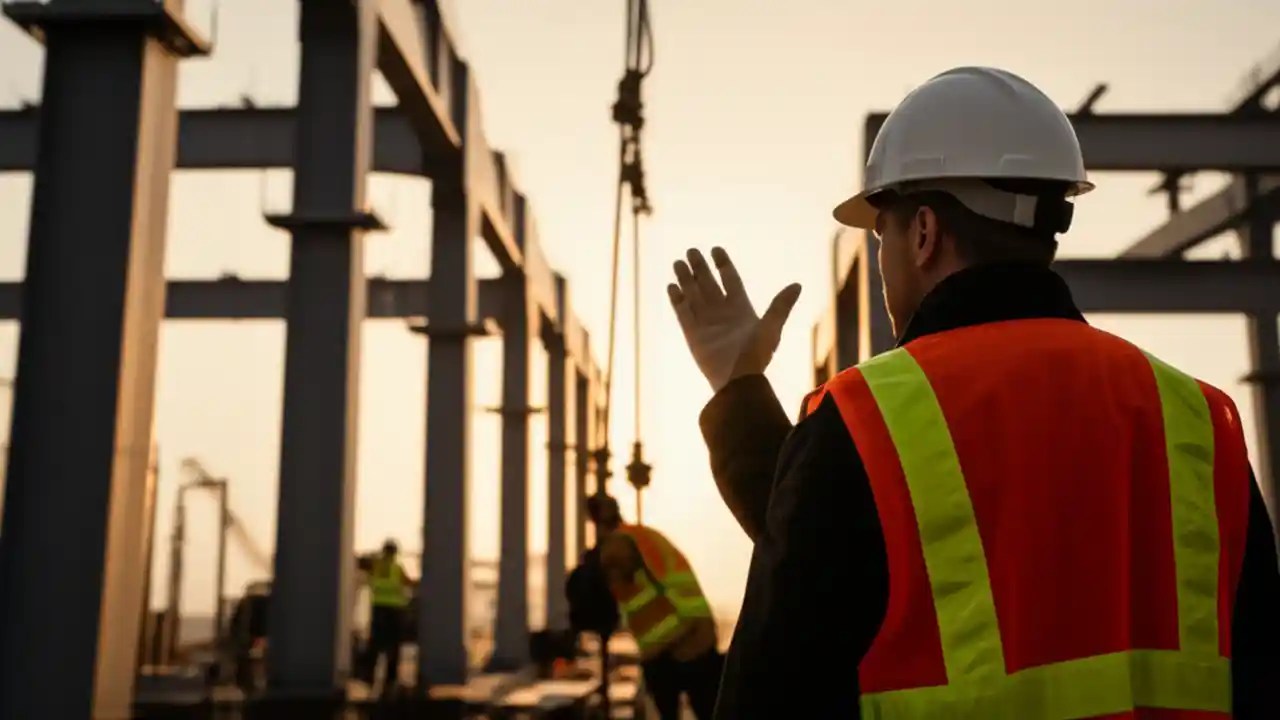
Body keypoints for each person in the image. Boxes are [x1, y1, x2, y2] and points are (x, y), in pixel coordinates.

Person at [666, 66, 1280, 718]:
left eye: (881, 234)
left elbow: (805, 626)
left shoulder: (866, 421)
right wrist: (740, 395)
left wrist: (738, 389)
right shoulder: (1196, 422)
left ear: (923, 232)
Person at [587, 493, 725, 719]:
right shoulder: (643, 535)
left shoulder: (617, 545)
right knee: (709, 709)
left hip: (669, 641)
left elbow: (607, 584)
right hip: (696, 632)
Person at [364, 538, 411, 698]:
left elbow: (369, 577)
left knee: (376, 644)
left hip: (378, 608)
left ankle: (369, 677)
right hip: (394, 610)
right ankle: (391, 680)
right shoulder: (397, 568)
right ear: (395, 552)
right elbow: (407, 582)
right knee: (394, 646)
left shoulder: (376, 565)